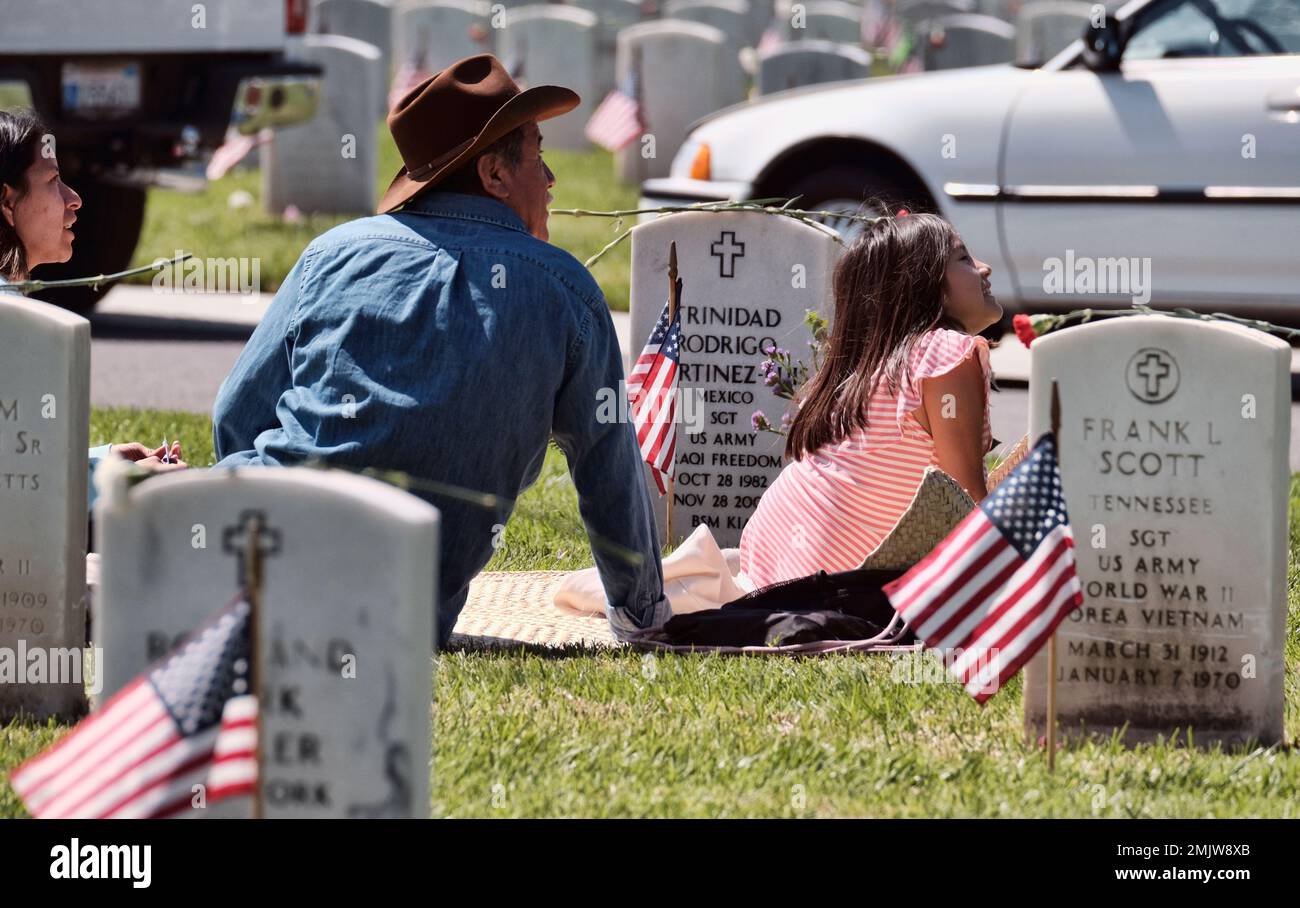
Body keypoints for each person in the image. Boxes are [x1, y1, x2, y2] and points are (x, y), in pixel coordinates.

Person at [211, 54, 669, 646]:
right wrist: (643, 615)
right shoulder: (564, 290)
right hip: (401, 612)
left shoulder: (330, 254)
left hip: (235, 564)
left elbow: (235, 415)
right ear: (494, 176)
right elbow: (607, 469)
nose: (551, 178)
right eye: (537, 153)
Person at [739, 212, 1003, 589]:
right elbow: (967, 505)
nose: (985, 268)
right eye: (963, 259)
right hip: (829, 587)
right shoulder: (944, 352)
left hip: (774, 564)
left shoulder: (874, 364)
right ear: (927, 286)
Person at [0, 108, 186, 493]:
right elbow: (22, 492)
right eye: (52, 180)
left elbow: (19, 461)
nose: (75, 199)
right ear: (7, 201)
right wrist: (126, 483)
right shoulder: (10, 325)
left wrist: (104, 460)